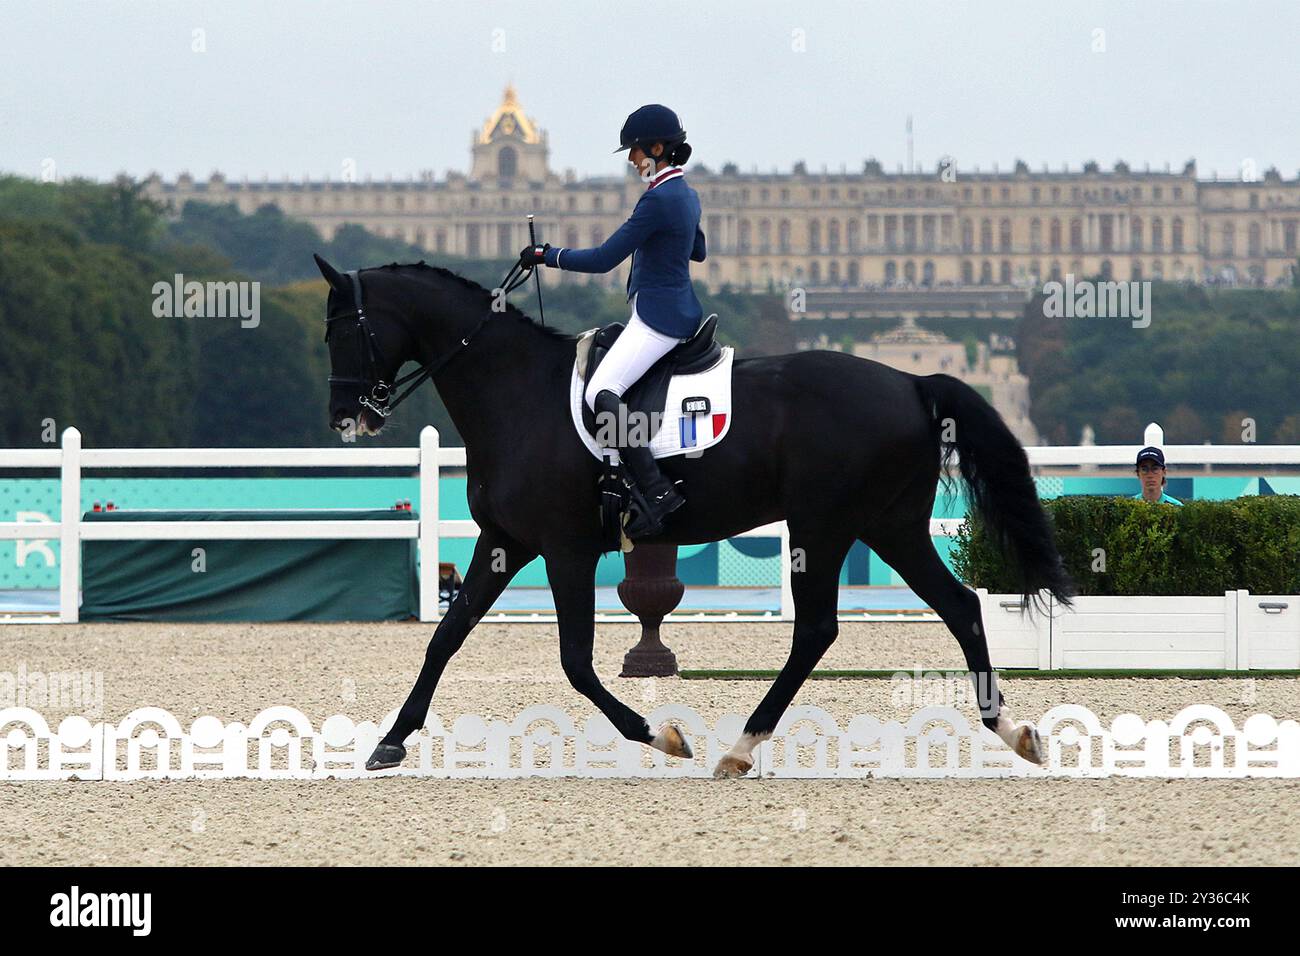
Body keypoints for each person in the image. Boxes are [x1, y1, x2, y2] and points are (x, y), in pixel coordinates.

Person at [517, 104, 707, 538]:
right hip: (677, 306)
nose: (631, 159)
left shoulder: (659, 199)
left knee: (602, 391)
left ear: (658, 148)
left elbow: (604, 260)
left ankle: (657, 491)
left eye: (636, 151)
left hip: (659, 318)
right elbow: (698, 251)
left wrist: (549, 255)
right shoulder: (686, 194)